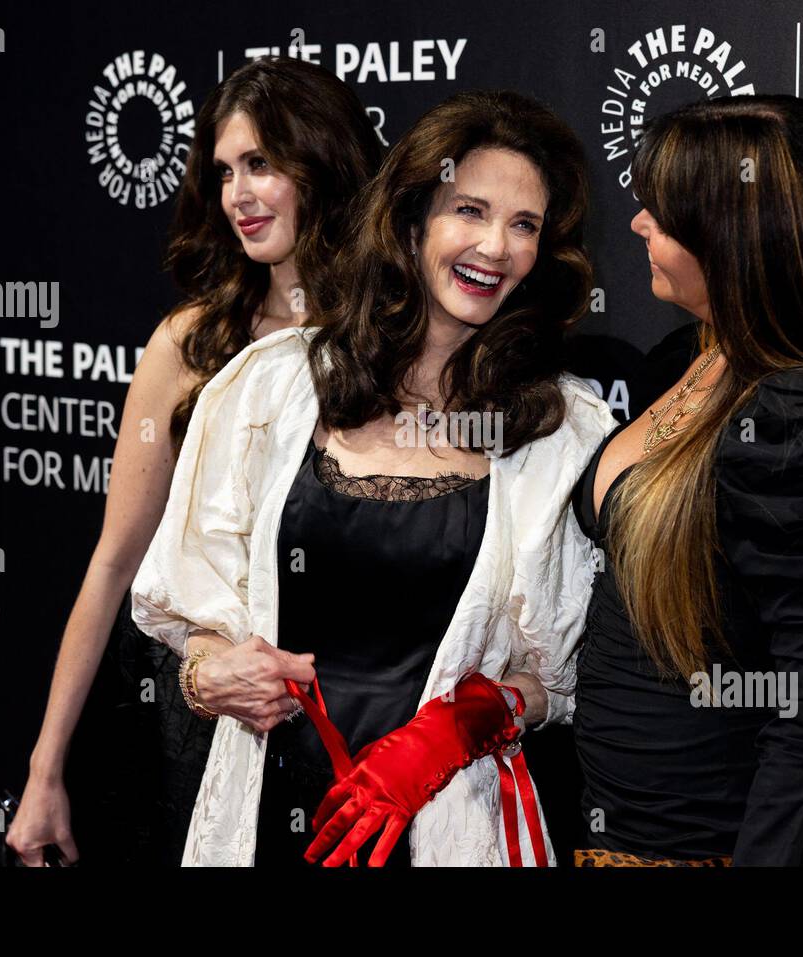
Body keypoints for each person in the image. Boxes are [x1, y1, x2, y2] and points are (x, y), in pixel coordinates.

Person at [130, 89, 618, 866]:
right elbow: (190, 614)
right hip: (270, 817)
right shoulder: (272, 387)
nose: (496, 246)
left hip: (446, 828)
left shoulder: (562, 431)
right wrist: (208, 674)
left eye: (524, 225)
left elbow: (562, 676)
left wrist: (462, 725)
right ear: (414, 217)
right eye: (470, 210)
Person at [6, 56, 381, 867]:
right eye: (223, 172)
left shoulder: (394, 343)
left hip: (352, 733)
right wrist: (44, 771)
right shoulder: (189, 343)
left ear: (322, 161)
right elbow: (114, 563)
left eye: (261, 165)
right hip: (186, 729)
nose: (238, 195)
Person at [570, 94, 803, 866]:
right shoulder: (692, 358)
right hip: (617, 838)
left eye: (664, 217)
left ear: (739, 244)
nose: (638, 224)